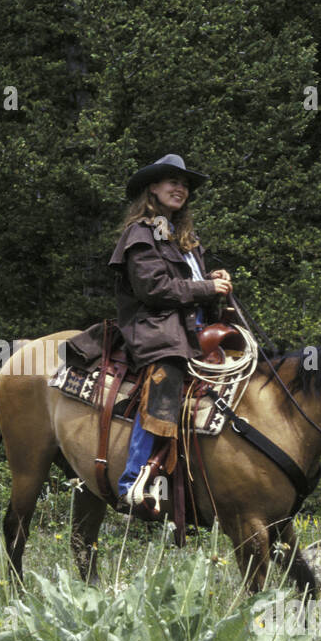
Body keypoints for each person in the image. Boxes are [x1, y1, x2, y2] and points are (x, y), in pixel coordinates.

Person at [109, 154, 233, 509]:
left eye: (185, 184)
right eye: (171, 181)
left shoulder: (184, 240)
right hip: (156, 330)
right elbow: (155, 289)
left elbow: (187, 285)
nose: (180, 188)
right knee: (168, 377)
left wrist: (212, 280)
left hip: (192, 328)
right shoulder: (142, 233)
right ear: (153, 187)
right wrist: (207, 289)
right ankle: (134, 482)